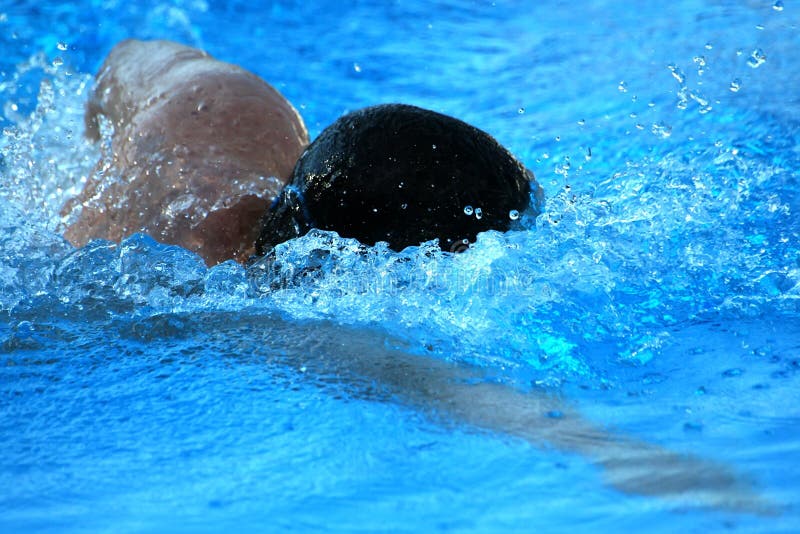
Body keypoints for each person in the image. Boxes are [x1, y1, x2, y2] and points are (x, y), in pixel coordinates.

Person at [62, 40, 767, 513]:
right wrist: (614, 452)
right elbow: (427, 384)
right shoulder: (209, 292)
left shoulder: (226, 101)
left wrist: (91, 167)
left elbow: (123, 57)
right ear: (383, 267)